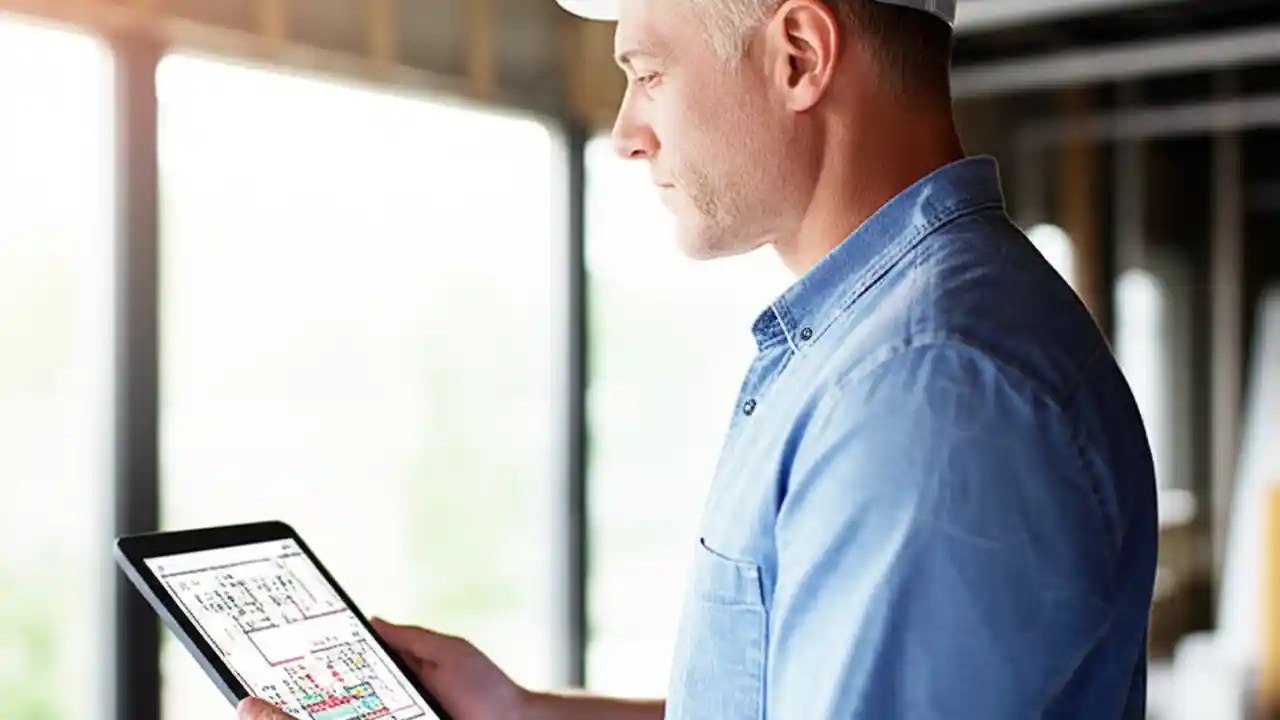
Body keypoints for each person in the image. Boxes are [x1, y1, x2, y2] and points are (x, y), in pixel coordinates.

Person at [239, 0, 1158, 717]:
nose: (628, 134)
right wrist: (523, 715)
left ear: (799, 54)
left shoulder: (924, 388)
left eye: (648, 72)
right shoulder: (885, 343)